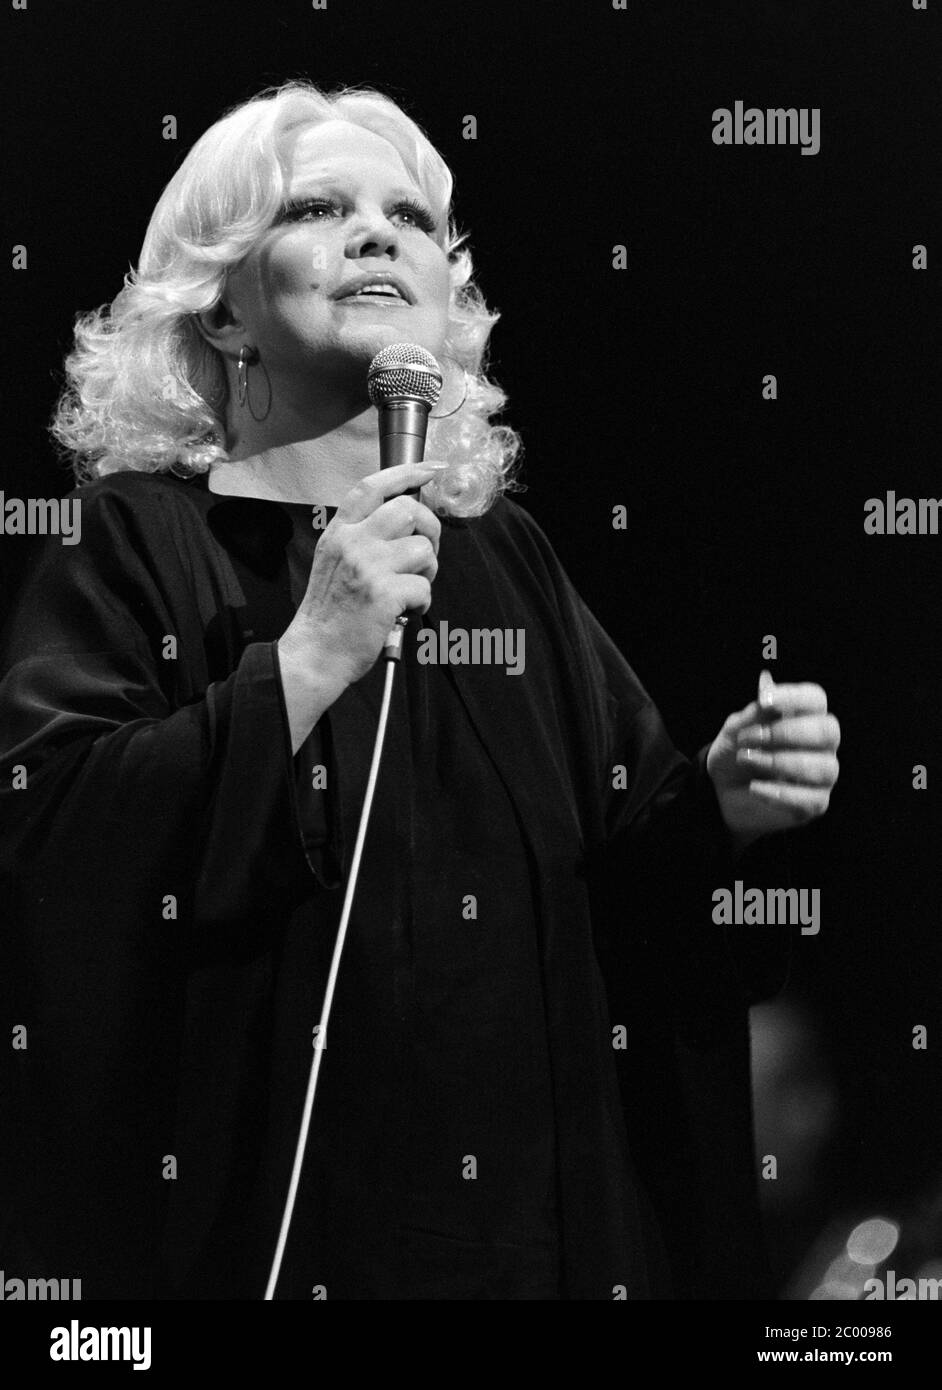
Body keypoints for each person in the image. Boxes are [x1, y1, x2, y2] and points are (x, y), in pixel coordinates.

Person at [0, 80, 840, 1301]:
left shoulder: (506, 562)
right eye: (320, 207)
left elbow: (631, 912)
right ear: (225, 310)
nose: (378, 232)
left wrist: (721, 808)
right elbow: (56, 846)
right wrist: (304, 661)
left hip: (533, 1250)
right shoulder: (130, 543)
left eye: (408, 217)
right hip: (270, 1240)